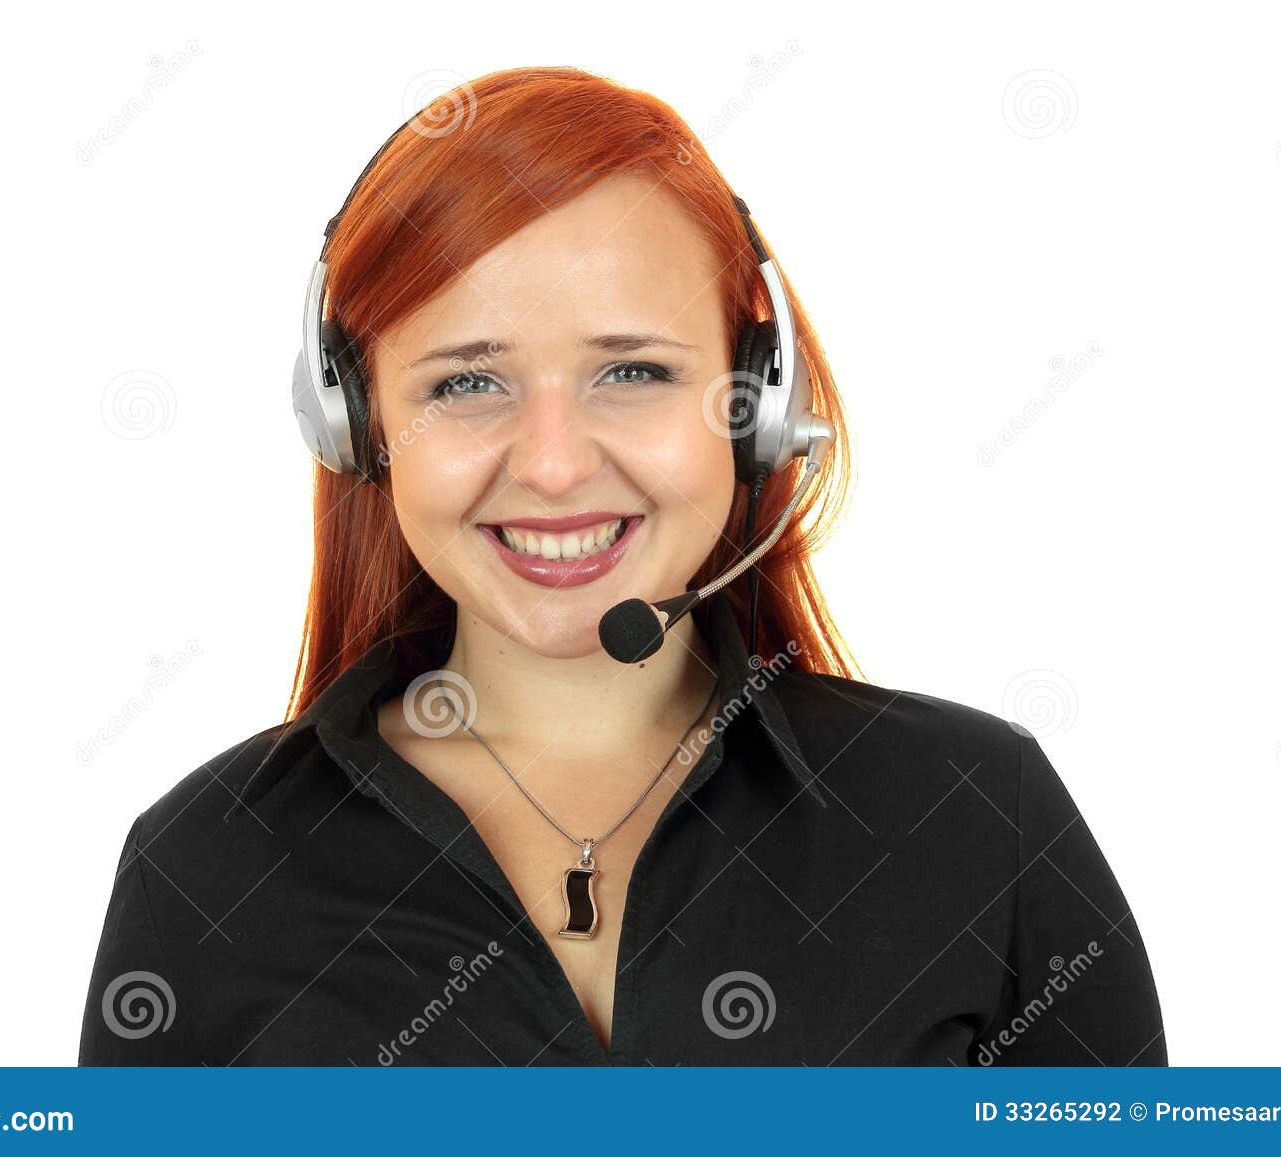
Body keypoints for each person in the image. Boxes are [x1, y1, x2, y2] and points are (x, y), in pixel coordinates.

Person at [79, 66, 1166, 1066]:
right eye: (465, 384)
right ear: (354, 420)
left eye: (634, 370)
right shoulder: (204, 868)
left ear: (756, 405)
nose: (552, 466)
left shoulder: (975, 814)